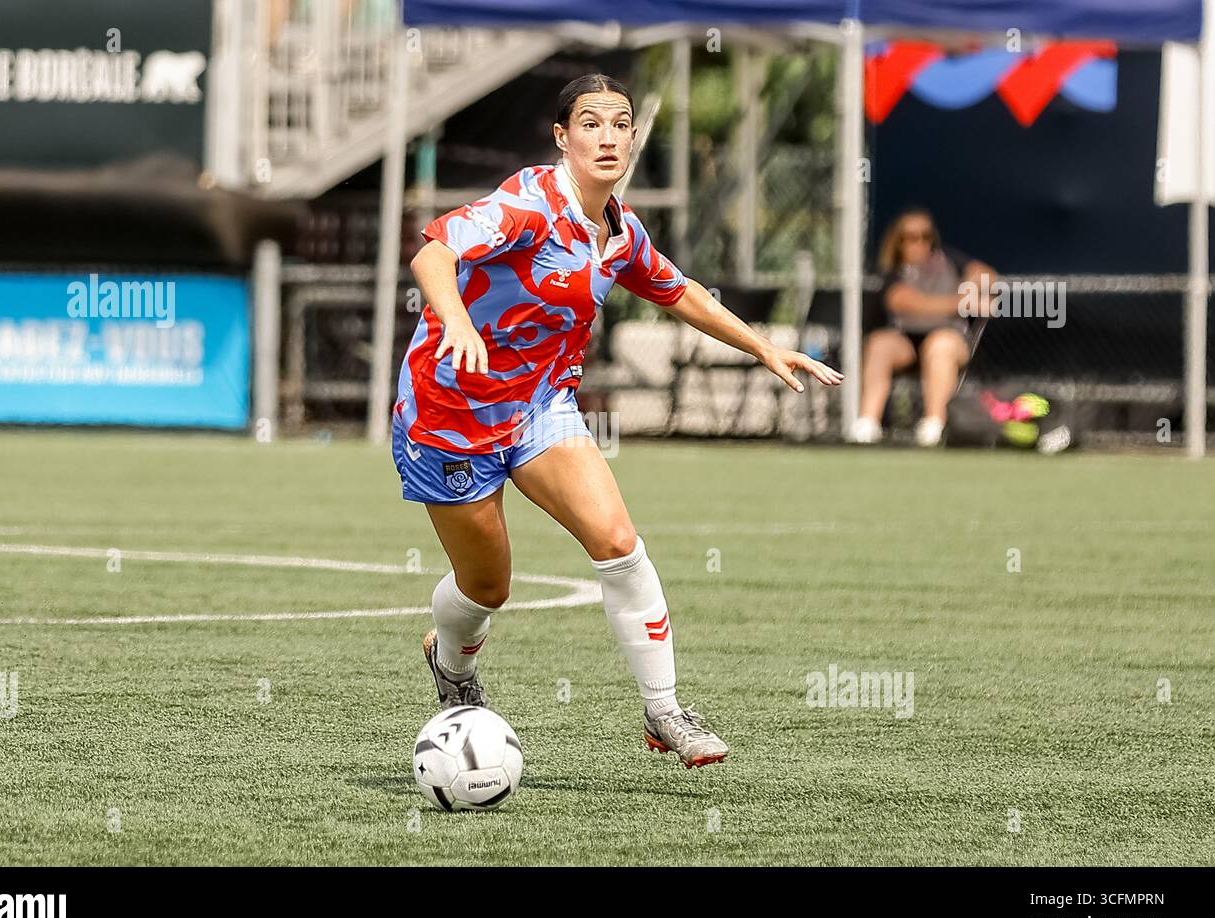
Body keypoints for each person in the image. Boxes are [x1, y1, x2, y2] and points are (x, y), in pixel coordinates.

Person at [393, 74, 842, 768]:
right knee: (488, 586)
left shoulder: (618, 230)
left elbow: (678, 288)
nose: (607, 136)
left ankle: (664, 711)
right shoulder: (529, 202)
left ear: (634, 137)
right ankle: (449, 660)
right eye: (591, 123)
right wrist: (453, 315)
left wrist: (763, 346)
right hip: (449, 413)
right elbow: (432, 252)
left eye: (620, 123)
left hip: (541, 409)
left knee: (619, 542)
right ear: (562, 138)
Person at [850, 208, 995, 447]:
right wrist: (964, 302)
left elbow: (986, 275)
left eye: (925, 236)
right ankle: (867, 424)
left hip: (948, 340)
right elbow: (908, 302)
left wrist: (971, 283)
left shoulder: (949, 259)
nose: (919, 243)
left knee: (939, 345)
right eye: (910, 237)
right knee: (880, 344)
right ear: (899, 241)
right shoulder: (893, 272)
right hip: (907, 342)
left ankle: (934, 425)